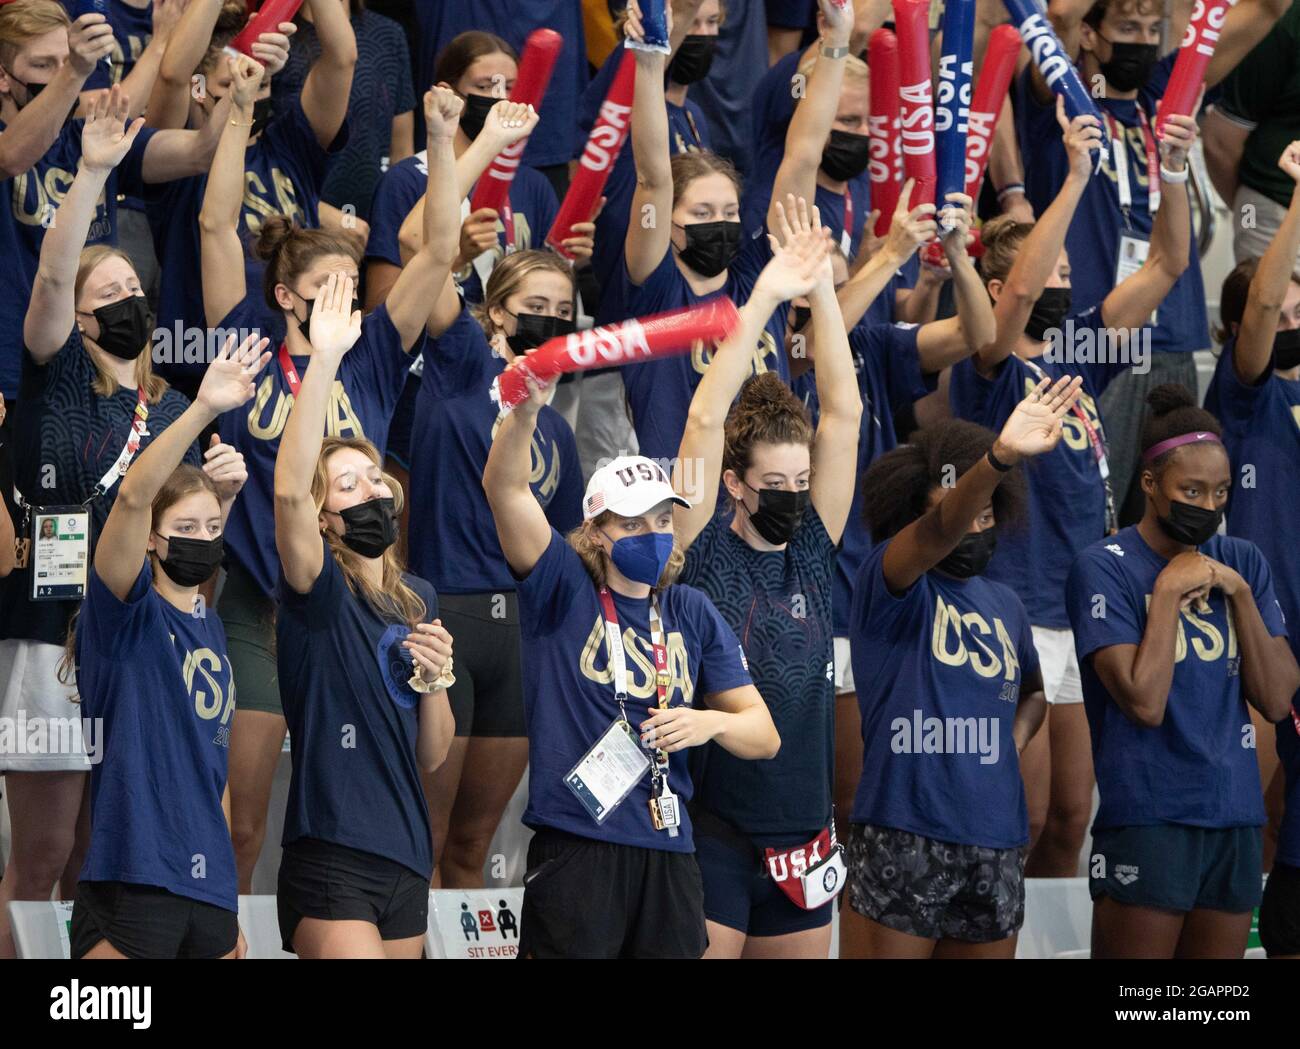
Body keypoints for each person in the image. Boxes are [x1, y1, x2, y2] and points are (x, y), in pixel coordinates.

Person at [200, 67, 462, 891]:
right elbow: (214, 225)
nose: (343, 305)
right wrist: (239, 116)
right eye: (324, 293)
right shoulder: (245, 336)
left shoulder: (374, 352)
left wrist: (446, 142)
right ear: (282, 295)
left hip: (351, 600)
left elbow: (441, 249)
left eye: (352, 290)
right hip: (259, 596)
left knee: (358, 787)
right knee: (242, 820)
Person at [0, 88, 237, 957]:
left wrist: (224, 486)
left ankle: (96, 989)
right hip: (45, 631)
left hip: (141, 643)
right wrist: (94, 171)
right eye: (111, 291)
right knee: (46, 847)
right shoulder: (55, 368)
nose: (128, 297)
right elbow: (54, 274)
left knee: (109, 847)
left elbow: (188, 537)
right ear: (87, 316)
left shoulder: (178, 403)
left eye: (136, 284)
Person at [948, 99, 1198, 878]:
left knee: (1068, 819)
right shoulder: (986, 365)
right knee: (1015, 814)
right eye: (1051, 270)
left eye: (1068, 271)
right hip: (1014, 607)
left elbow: (1168, 266)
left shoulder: (1078, 358)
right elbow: (1016, 299)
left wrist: (1175, 172)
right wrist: (1078, 174)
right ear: (996, 281)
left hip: (1079, 610)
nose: (1062, 283)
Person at [482, 374, 780, 959]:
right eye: (633, 524)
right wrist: (524, 414)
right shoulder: (562, 586)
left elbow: (763, 735)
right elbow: (505, 487)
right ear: (596, 531)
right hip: (578, 844)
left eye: (663, 521)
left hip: (668, 847)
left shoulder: (689, 609)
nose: (653, 535)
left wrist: (708, 723)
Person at [1015, 0, 1290, 525]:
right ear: (1092, 38)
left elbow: (1270, 9)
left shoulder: (1167, 92)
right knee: (1096, 512)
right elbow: (1063, 16)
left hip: (1174, 338)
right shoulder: (1062, 105)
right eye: (1126, 27)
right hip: (1094, 341)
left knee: (1176, 517)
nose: (1142, 41)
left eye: (1151, 29)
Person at [671, 196, 857, 958]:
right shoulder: (701, 546)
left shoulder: (814, 543)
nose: (792, 493)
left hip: (806, 834)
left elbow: (842, 411)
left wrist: (820, 292)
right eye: (775, 481)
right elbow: (702, 425)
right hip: (717, 830)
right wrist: (765, 295)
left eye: (801, 479)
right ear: (737, 484)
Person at [842, 376, 1082, 958]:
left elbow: (1033, 692)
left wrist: (1007, 742)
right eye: (965, 514)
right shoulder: (891, 578)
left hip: (996, 838)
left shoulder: (1006, 603)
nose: (976, 525)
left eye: (987, 516)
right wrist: (998, 457)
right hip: (906, 828)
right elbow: (942, 527)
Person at [1066, 384, 1300, 959]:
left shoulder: (1242, 561)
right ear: (1149, 484)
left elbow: (1276, 700)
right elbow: (1144, 702)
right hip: (1150, 814)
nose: (1209, 505)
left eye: (1220, 492)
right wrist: (1167, 594)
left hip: (1234, 816)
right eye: (1190, 490)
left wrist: (1241, 595)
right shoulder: (1105, 568)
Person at [272, 268, 456, 959]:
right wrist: (324, 360)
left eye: (375, 476)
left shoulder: (421, 600)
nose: (371, 487)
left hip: (406, 852)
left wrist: (437, 681)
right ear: (325, 519)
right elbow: (288, 493)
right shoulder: (317, 591)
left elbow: (433, 754)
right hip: (332, 853)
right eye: (346, 484)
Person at [410, 156, 583, 886]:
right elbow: (428, 247)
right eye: (534, 304)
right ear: (498, 311)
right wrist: (456, 143)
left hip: (521, 635)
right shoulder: (457, 360)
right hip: (445, 613)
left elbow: (568, 544)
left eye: (562, 309)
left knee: (473, 845)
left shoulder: (561, 432)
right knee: (426, 835)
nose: (549, 319)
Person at [69, 331, 269, 960]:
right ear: (151, 540)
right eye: (184, 528)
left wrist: (229, 903)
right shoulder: (122, 612)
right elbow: (133, 496)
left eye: (213, 529)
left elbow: (213, 768)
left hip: (208, 900)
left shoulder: (206, 619)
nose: (203, 538)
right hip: (135, 884)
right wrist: (202, 410)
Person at [0, 0, 226, 403]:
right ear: (4, 77)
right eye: (42, 65)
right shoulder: (11, 141)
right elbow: (11, 156)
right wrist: (75, 70)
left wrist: (238, 98)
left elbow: (200, 152)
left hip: (99, 365)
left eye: (64, 61)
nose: (59, 75)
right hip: (14, 371)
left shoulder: (89, 133)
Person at [616, 0, 809, 462]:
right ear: (670, 222)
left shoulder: (752, 276)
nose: (718, 223)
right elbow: (652, 177)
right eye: (701, 212)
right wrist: (647, 62)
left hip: (764, 492)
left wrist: (839, 44)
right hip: (683, 496)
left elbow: (802, 157)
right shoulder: (657, 287)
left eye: (728, 211)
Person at [1202, 139, 1300, 940]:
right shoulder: (1243, 399)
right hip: (1261, 648)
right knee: (1268, 819)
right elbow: (1265, 305)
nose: (1292, 320)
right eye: (1282, 312)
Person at [144, 0, 353, 370]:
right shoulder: (181, 158)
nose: (250, 93)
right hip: (199, 362)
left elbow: (342, 58)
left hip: (297, 353)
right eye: (230, 83)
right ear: (199, 89)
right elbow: (173, 74)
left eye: (262, 82)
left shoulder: (290, 144)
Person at [274, 0, 416, 232]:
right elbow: (254, 151)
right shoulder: (278, 36)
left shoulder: (388, 34)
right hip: (295, 218)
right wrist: (320, 214)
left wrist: (396, 222)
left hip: (373, 216)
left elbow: (401, 150)